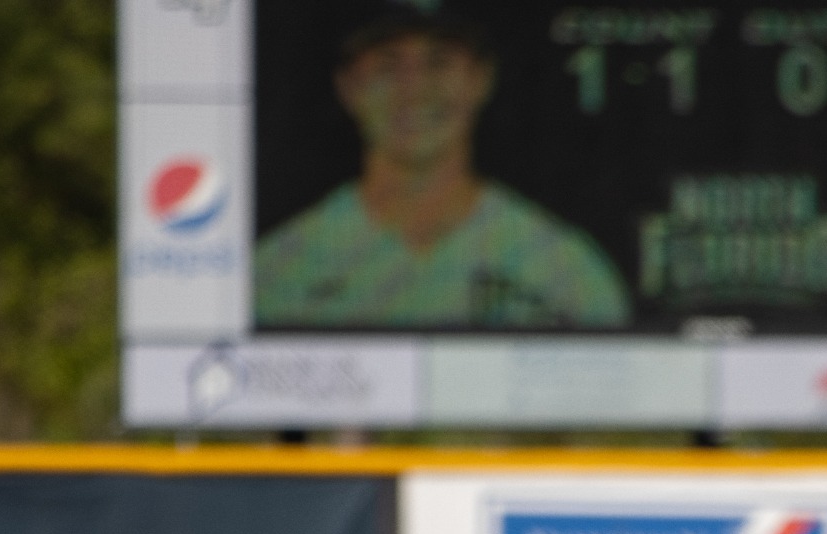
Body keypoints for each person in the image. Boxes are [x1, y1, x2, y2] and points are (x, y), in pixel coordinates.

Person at [253, 5, 629, 329]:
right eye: (388, 65)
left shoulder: (562, 267)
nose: (414, 89)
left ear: (480, 80)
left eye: (439, 63)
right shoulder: (281, 268)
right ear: (349, 87)